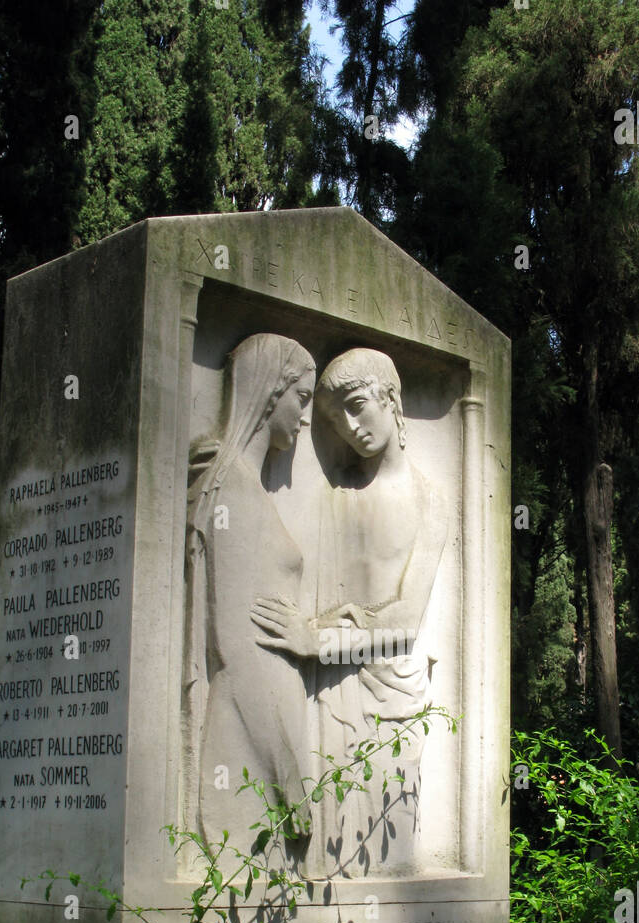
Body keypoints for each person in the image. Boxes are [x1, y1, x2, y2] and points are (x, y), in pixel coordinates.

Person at [251, 347, 447, 876]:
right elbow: (307, 592)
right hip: (335, 693)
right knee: (335, 849)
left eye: (358, 406)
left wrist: (319, 640)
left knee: (389, 854)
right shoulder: (336, 498)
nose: (352, 428)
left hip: (396, 691)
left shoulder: (431, 501)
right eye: (337, 420)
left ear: (391, 397)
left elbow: (405, 623)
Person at [182, 333, 316, 862]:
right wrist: (286, 774)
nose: (303, 418)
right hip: (248, 741)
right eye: (300, 398)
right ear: (269, 391)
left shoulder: (246, 489)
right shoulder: (233, 490)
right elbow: (233, 648)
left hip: (272, 726)